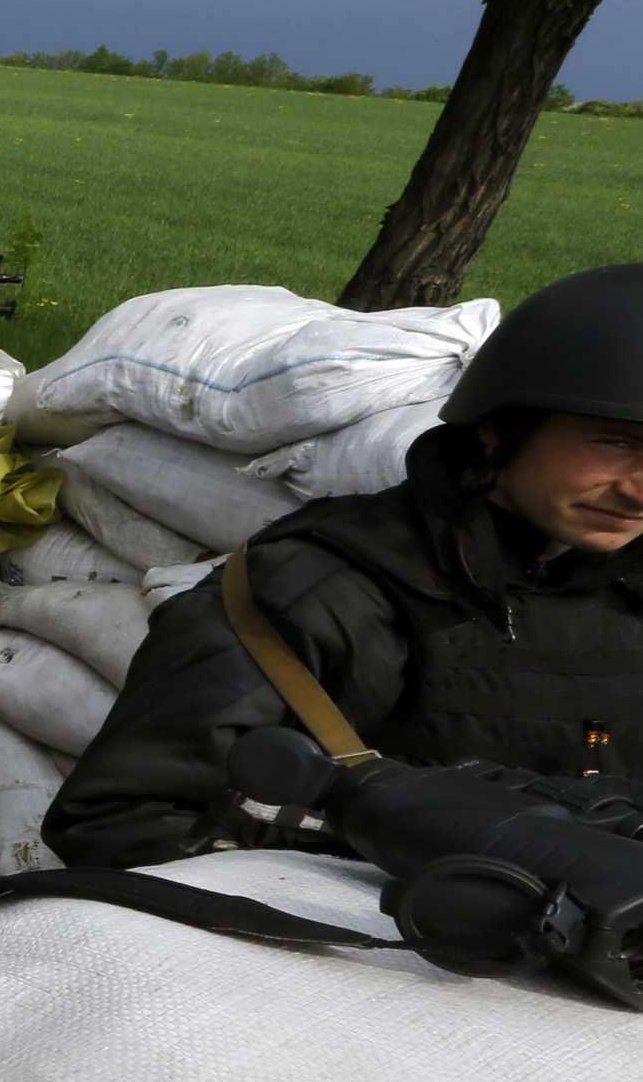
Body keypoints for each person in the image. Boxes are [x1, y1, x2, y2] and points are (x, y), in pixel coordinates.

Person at [47, 263, 643, 867]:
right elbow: (119, 821)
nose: (638, 491)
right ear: (499, 429)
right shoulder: (316, 594)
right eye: (617, 443)